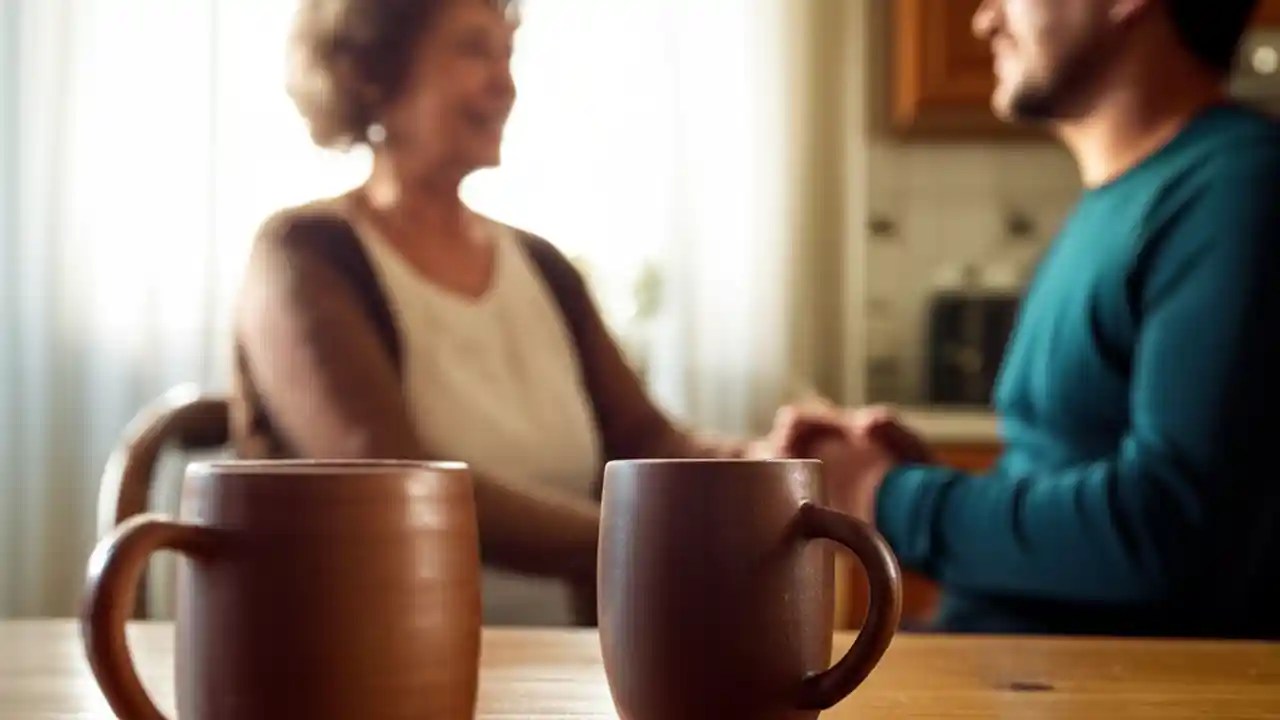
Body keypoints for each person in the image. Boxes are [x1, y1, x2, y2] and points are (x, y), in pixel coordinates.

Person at [231, 0, 763, 626]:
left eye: (508, 54)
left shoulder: (541, 264)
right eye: (475, 50)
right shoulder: (303, 254)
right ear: (373, 71)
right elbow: (396, 485)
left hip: (574, 670)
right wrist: (643, 539)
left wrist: (766, 463)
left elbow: (648, 442)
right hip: (374, 669)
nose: (505, 84)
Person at [779, 0, 1280, 638]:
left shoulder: (1239, 190)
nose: (984, 20)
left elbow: (1170, 531)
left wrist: (884, 495)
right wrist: (922, 477)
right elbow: (1073, 479)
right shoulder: (1125, 199)